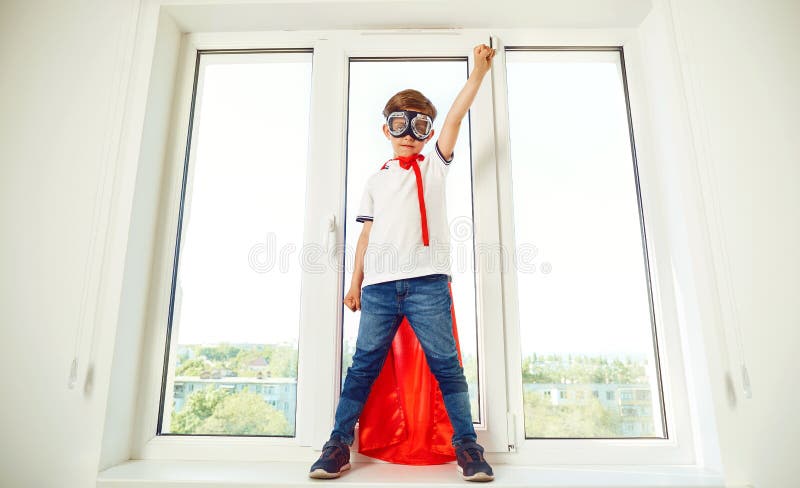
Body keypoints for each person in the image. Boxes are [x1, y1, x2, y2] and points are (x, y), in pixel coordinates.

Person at [309, 44, 496, 482]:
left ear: (428, 132)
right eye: (399, 123)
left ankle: (467, 448)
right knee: (363, 366)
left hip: (428, 283)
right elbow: (366, 235)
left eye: (418, 124)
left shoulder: (434, 166)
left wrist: (478, 74)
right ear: (387, 128)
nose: (409, 132)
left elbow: (455, 117)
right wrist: (354, 283)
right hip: (379, 287)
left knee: (446, 365)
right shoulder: (375, 180)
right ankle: (337, 445)